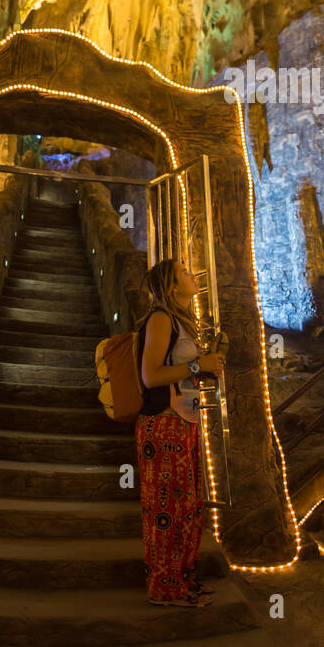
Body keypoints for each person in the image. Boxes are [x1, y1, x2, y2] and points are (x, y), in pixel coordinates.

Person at [135, 260, 225, 609]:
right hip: (162, 425)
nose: (193, 274)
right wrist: (196, 365)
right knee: (167, 509)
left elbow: (180, 373)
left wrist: (203, 371)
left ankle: (184, 580)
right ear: (172, 287)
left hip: (184, 421)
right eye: (185, 272)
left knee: (189, 508)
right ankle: (164, 587)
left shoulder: (183, 323)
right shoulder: (160, 319)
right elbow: (150, 376)